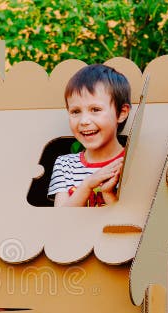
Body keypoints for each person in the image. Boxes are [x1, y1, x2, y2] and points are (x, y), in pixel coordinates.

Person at [48, 64, 132, 207]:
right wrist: (87, 185)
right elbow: (59, 219)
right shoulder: (65, 165)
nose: (84, 121)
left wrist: (108, 194)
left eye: (95, 109)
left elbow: (131, 221)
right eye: (75, 111)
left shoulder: (131, 163)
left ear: (122, 113)